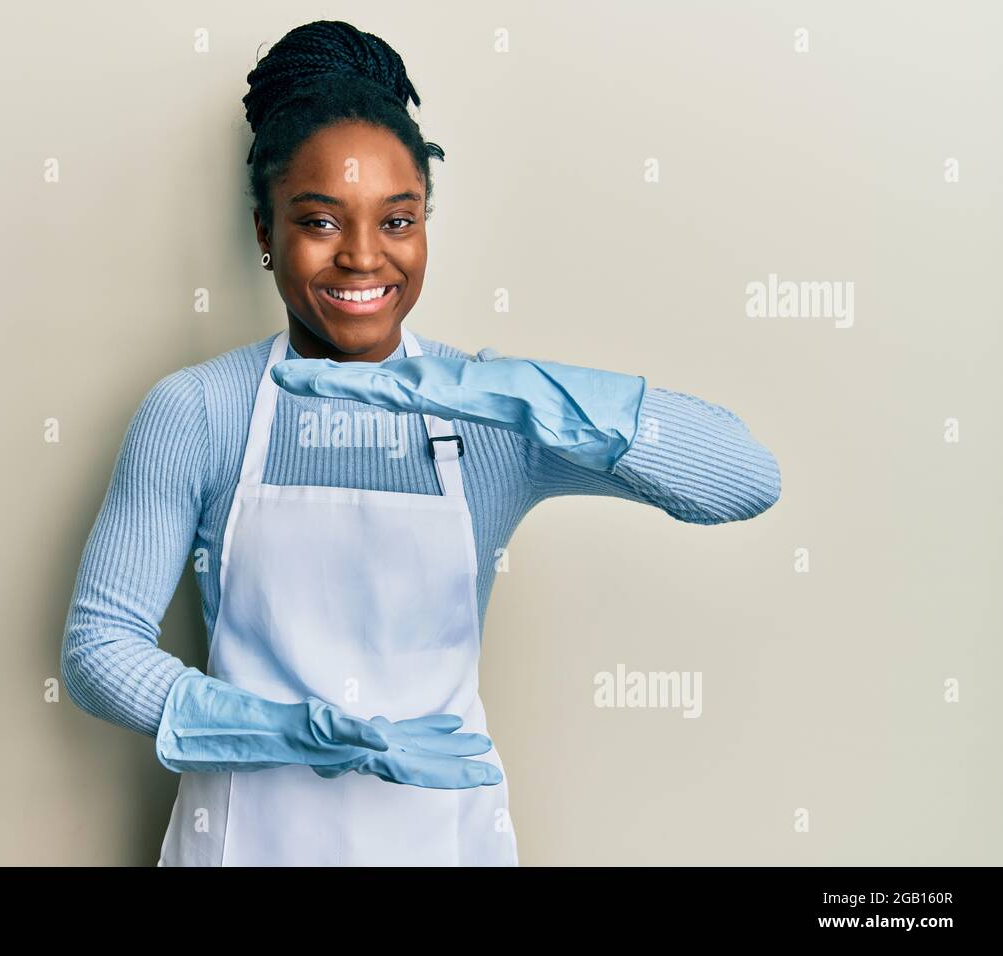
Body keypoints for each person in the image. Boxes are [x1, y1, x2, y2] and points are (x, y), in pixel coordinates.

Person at [60, 19, 781, 867]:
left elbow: (744, 479)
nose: (364, 258)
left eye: (396, 220)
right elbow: (96, 648)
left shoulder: (491, 418)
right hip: (245, 840)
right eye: (320, 220)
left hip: (442, 843)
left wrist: (505, 387)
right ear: (264, 233)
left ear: (425, 223)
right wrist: (280, 731)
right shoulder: (201, 411)